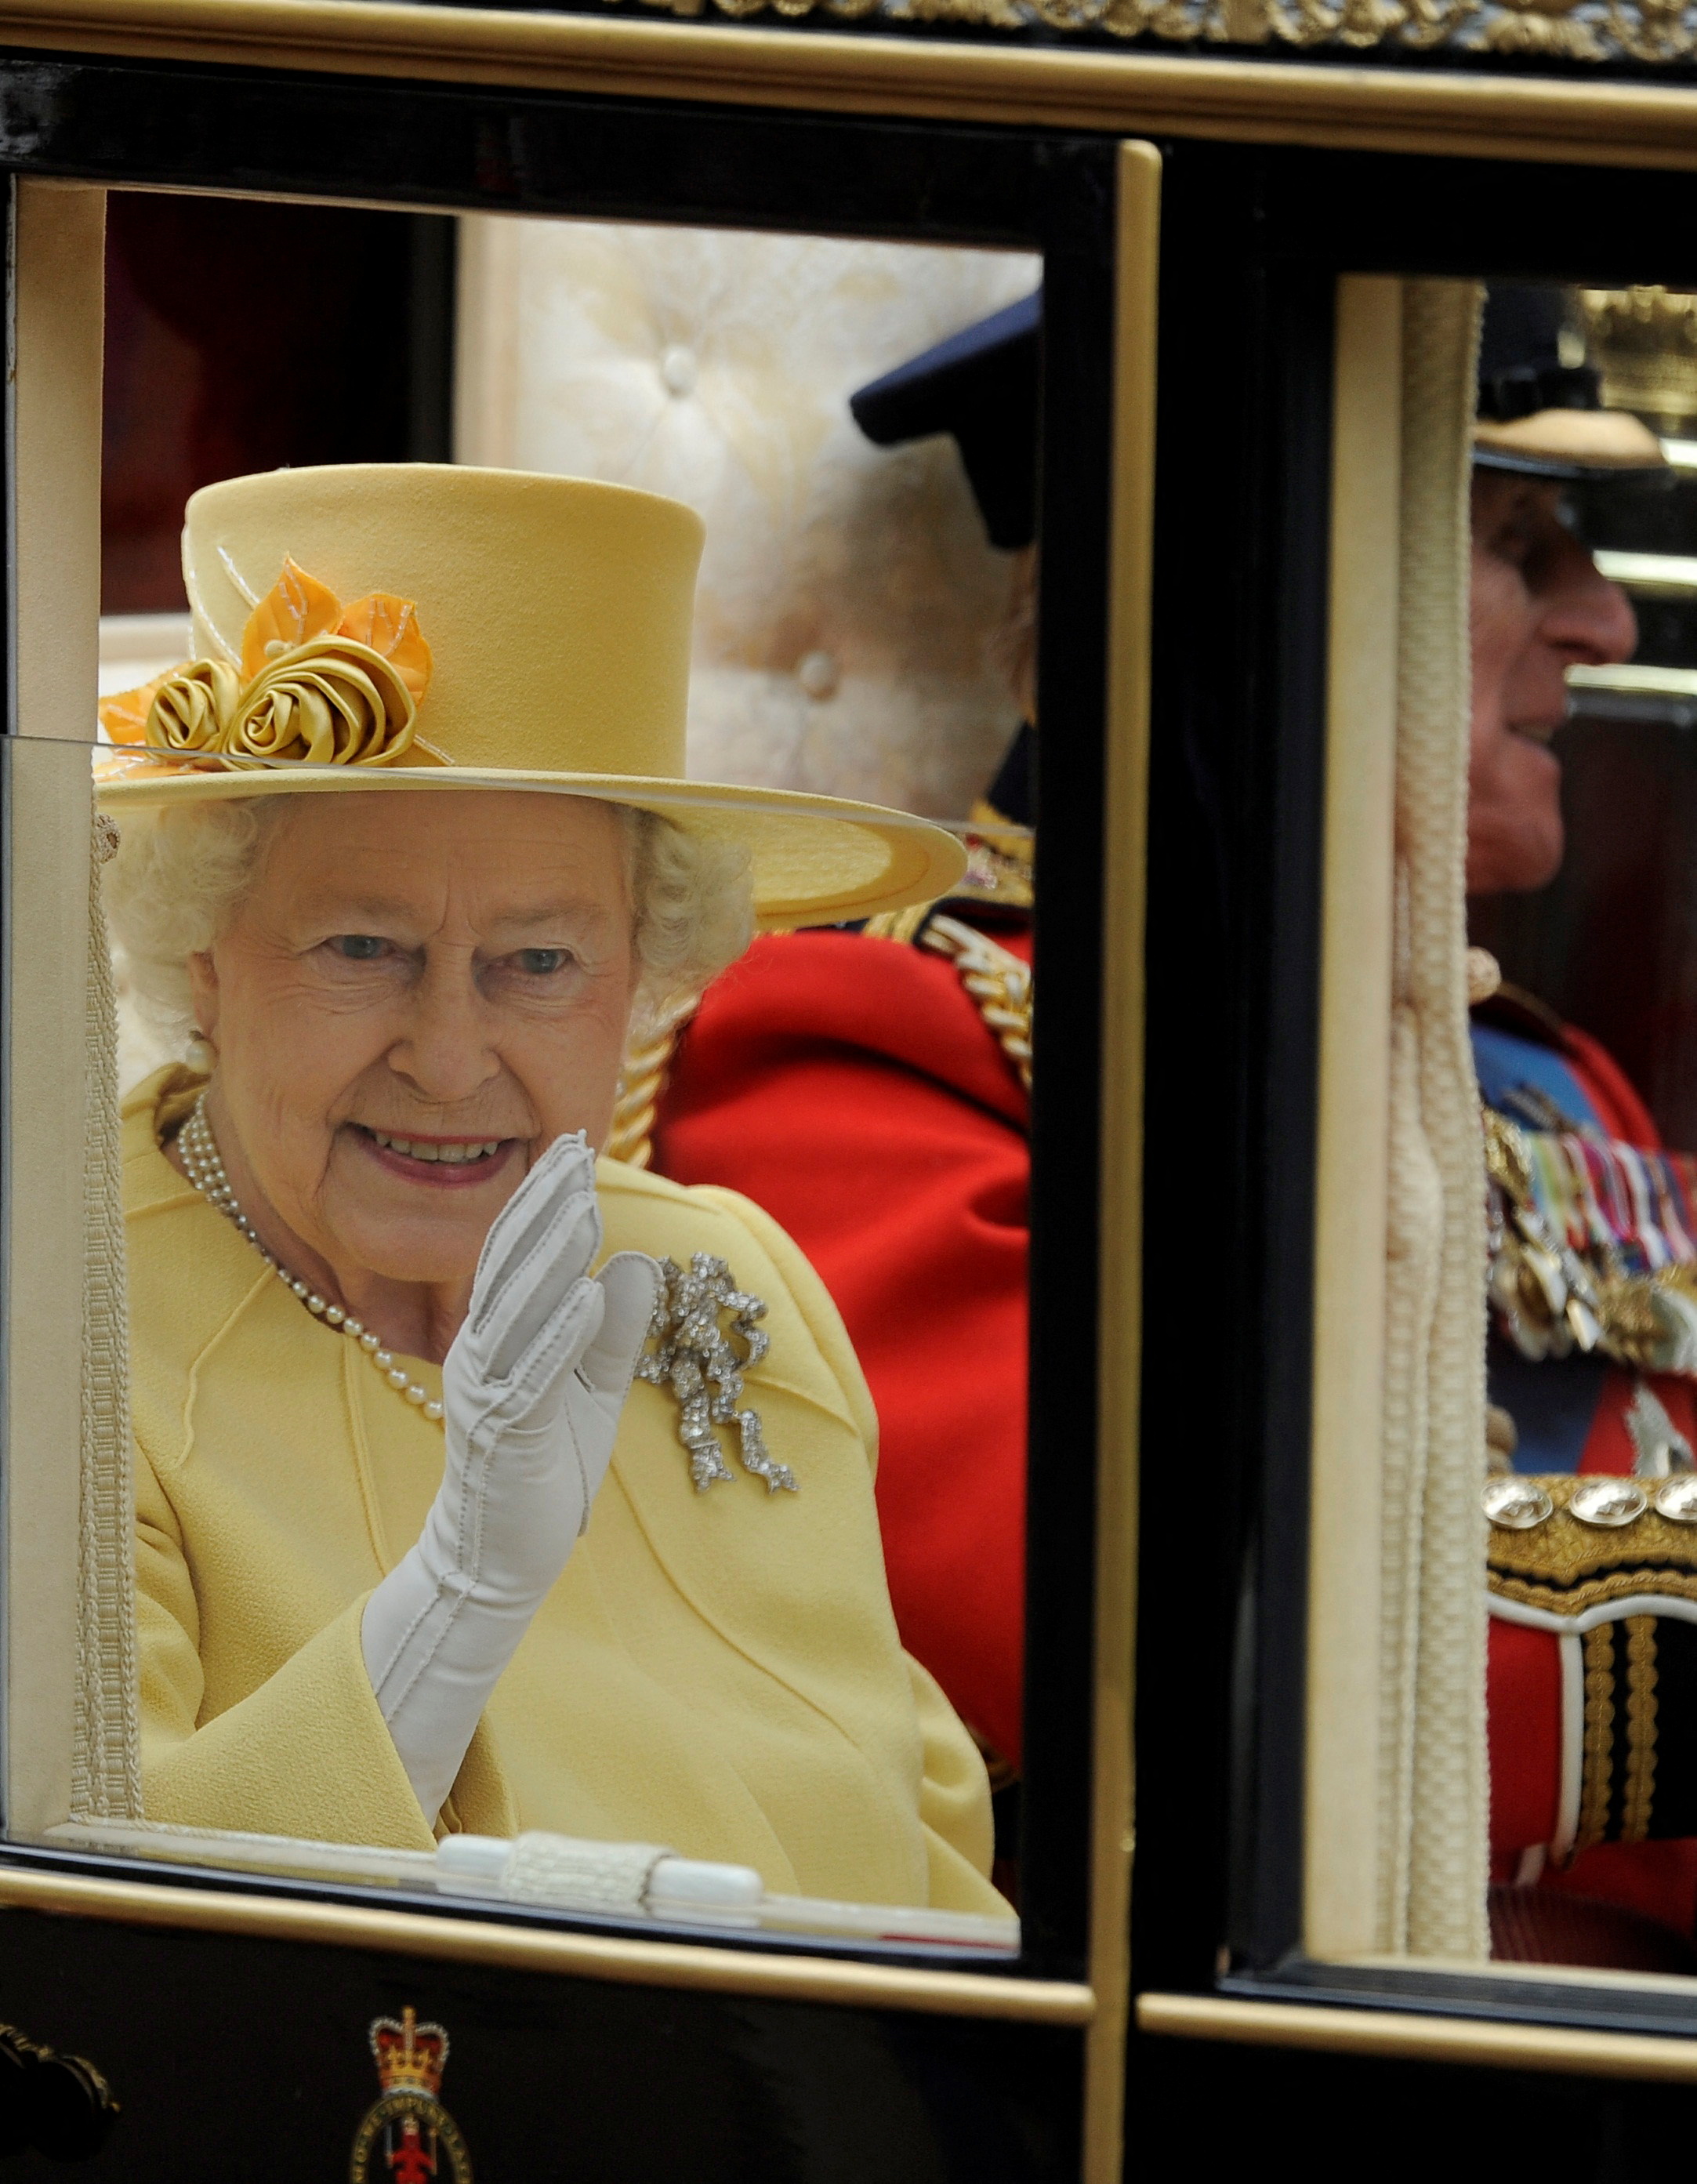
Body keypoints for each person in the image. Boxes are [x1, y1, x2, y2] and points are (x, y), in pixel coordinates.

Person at [96, 459, 1005, 1915]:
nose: (452, 1060)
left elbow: (939, 1878)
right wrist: (446, 1607)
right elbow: (95, 1939)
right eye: (362, 947)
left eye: (538, 963)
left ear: (643, 975)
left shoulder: (729, 1281)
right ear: (203, 952)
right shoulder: (63, 1334)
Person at [645, 301, 1038, 1821]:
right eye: (1521, 547)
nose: (1605, 620)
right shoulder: (871, 1021)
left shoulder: (1551, 1065)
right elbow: (1088, 1614)